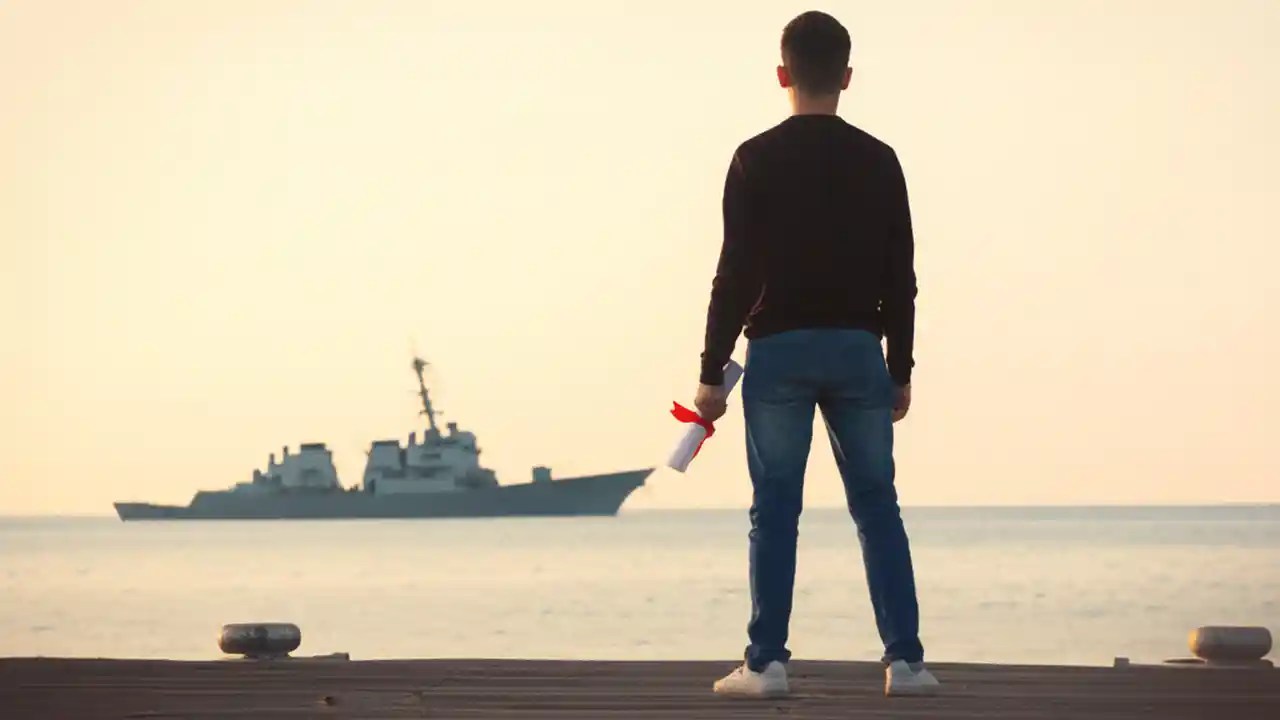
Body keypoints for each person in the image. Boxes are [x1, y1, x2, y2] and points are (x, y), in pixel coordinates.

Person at [695, 10, 939, 699]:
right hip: (860, 350)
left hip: (778, 350)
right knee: (877, 505)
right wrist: (901, 370)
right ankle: (907, 664)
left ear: (783, 75)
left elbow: (734, 272)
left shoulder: (754, 157)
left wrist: (711, 371)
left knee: (774, 508)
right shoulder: (879, 159)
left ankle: (766, 664)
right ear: (848, 77)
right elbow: (903, 277)